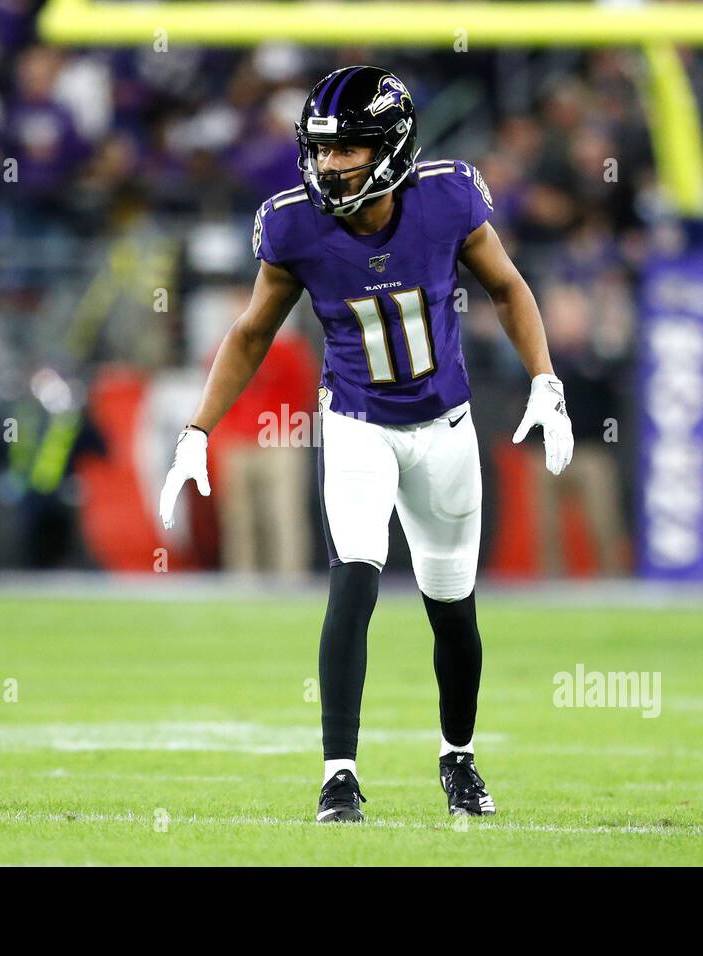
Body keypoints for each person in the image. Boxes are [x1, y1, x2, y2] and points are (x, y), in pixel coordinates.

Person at [157, 67, 573, 822]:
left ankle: (458, 759)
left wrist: (546, 378)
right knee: (353, 580)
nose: (329, 164)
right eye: (321, 150)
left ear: (390, 147)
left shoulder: (447, 198)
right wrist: (197, 429)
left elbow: (508, 288)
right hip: (355, 423)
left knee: (452, 607)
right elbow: (252, 332)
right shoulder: (293, 225)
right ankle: (338, 776)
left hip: (446, 425)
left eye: (347, 149)